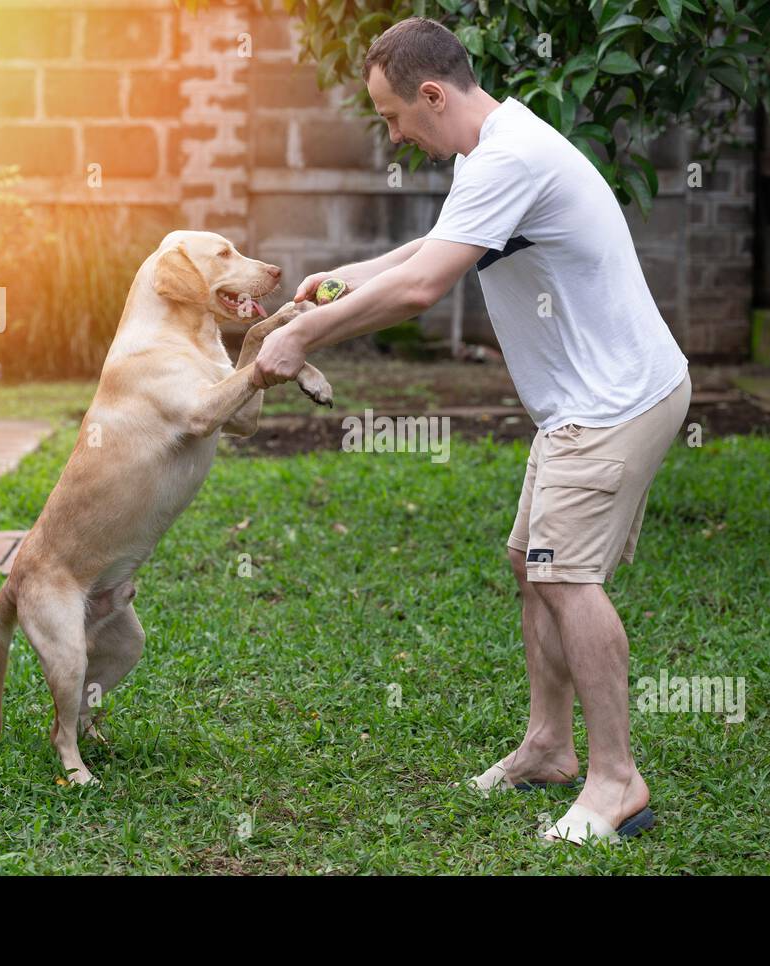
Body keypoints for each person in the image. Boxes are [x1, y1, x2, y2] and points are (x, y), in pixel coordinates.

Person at [252, 16, 691, 844]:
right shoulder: (495, 149)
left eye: (392, 116)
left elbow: (421, 291)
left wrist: (302, 336)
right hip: (587, 404)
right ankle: (549, 747)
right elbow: (429, 251)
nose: (394, 134)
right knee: (533, 565)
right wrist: (335, 281)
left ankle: (616, 780)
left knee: (565, 579)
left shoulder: (507, 155)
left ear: (431, 93)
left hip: (615, 402)